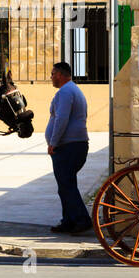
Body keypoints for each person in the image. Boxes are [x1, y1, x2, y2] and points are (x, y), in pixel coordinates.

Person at [46, 61, 91, 234]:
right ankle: (68, 220)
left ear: (60, 74)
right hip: (74, 145)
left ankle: (81, 220)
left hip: (68, 146)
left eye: (52, 74)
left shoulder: (65, 92)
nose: (51, 77)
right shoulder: (72, 90)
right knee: (66, 184)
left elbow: (61, 119)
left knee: (66, 185)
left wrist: (53, 142)